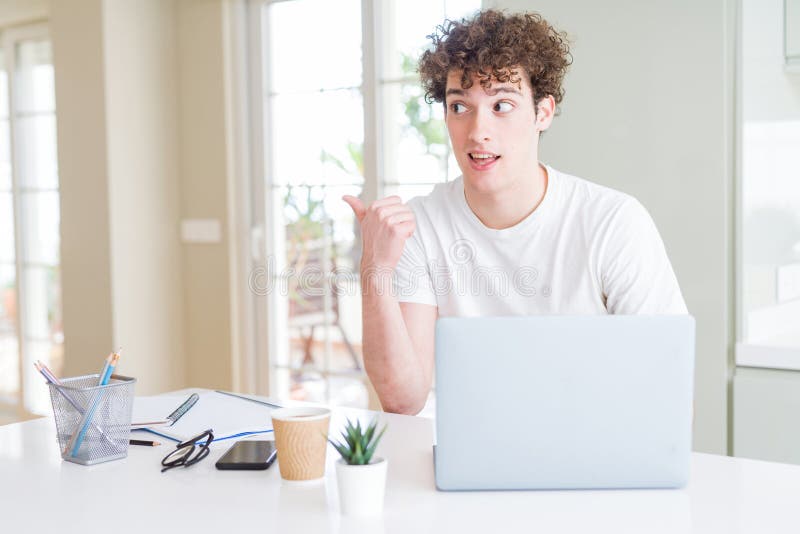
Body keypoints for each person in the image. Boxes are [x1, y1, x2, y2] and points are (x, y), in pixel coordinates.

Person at [343, 9, 687, 415]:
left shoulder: (614, 223)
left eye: (501, 105)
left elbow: (669, 393)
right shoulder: (422, 226)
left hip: (592, 457)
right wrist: (375, 270)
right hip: (473, 460)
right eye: (459, 107)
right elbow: (403, 400)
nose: (477, 131)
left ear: (542, 113)